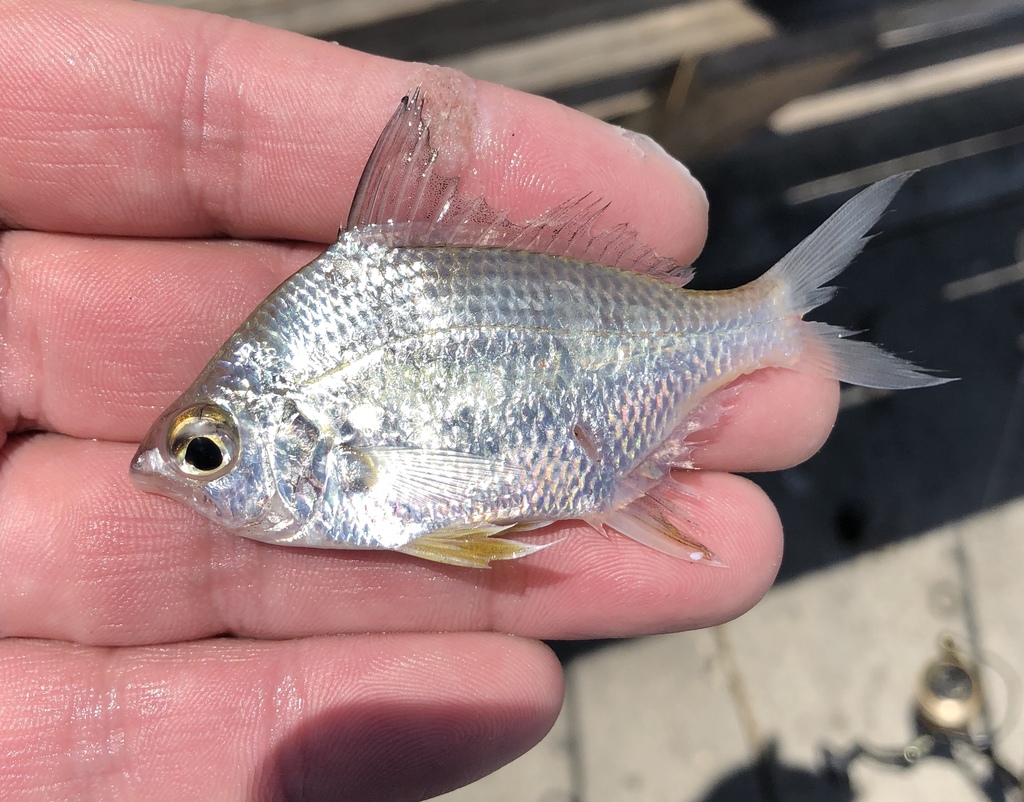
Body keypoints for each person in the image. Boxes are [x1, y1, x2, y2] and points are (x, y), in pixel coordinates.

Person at [0, 1, 839, 799]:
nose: (174, 473)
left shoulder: (334, 335)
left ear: (298, 436)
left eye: (206, 453)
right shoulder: (318, 338)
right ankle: (763, 327)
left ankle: (766, 324)